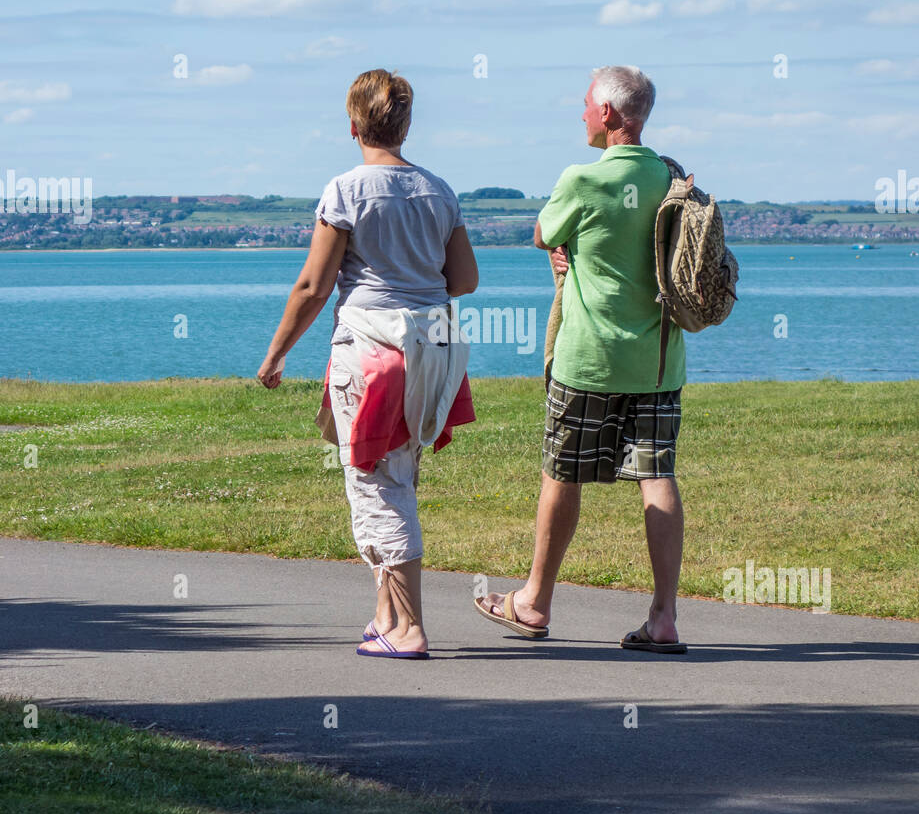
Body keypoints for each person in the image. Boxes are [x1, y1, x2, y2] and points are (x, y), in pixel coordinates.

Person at [258, 69, 479, 660]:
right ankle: (385, 615)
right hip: (431, 348)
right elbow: (464, 279)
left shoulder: (346, 190)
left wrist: (276, 353)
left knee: (376, 486)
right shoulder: (439, 191)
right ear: (405, 125)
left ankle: (408, 628)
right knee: (395, 476)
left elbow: (312, 285)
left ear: (353, 125)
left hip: (372, 349)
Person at [473, 65, 688, 653]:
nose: (582, 114)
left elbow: (544, 232)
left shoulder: (583, 180)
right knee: (656, 476)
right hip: (659, 360)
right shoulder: (673, 178)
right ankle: (664, 617)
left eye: (587, 105)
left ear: (611, 115)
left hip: (588, 359)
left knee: (562, 475)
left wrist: (570, 246)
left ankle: (534, 602)